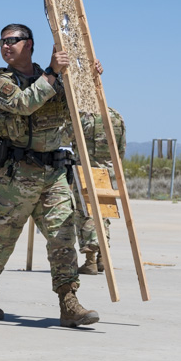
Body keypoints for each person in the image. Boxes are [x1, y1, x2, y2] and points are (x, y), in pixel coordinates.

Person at [0, 24, 99, 328]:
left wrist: (87, 78)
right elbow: (23, 104)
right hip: (16, 175)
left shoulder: (56, 77)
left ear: (29, 44)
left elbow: (81, 108)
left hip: (53, 172)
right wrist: (53, 74)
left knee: (63, 237)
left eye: (11, 41)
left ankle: (69, 301)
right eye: (1, 42)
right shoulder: (0, 83)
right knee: (2, 239)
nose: (5, 46)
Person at [74, 107, 126, 274]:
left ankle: (90, 261)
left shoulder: (80, 116)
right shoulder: (116, 116)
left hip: (85, 170)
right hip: (107, 171)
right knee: (104, 212)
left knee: (86, 213)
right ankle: (103, 257)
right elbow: (121, 149)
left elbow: (63, 137)